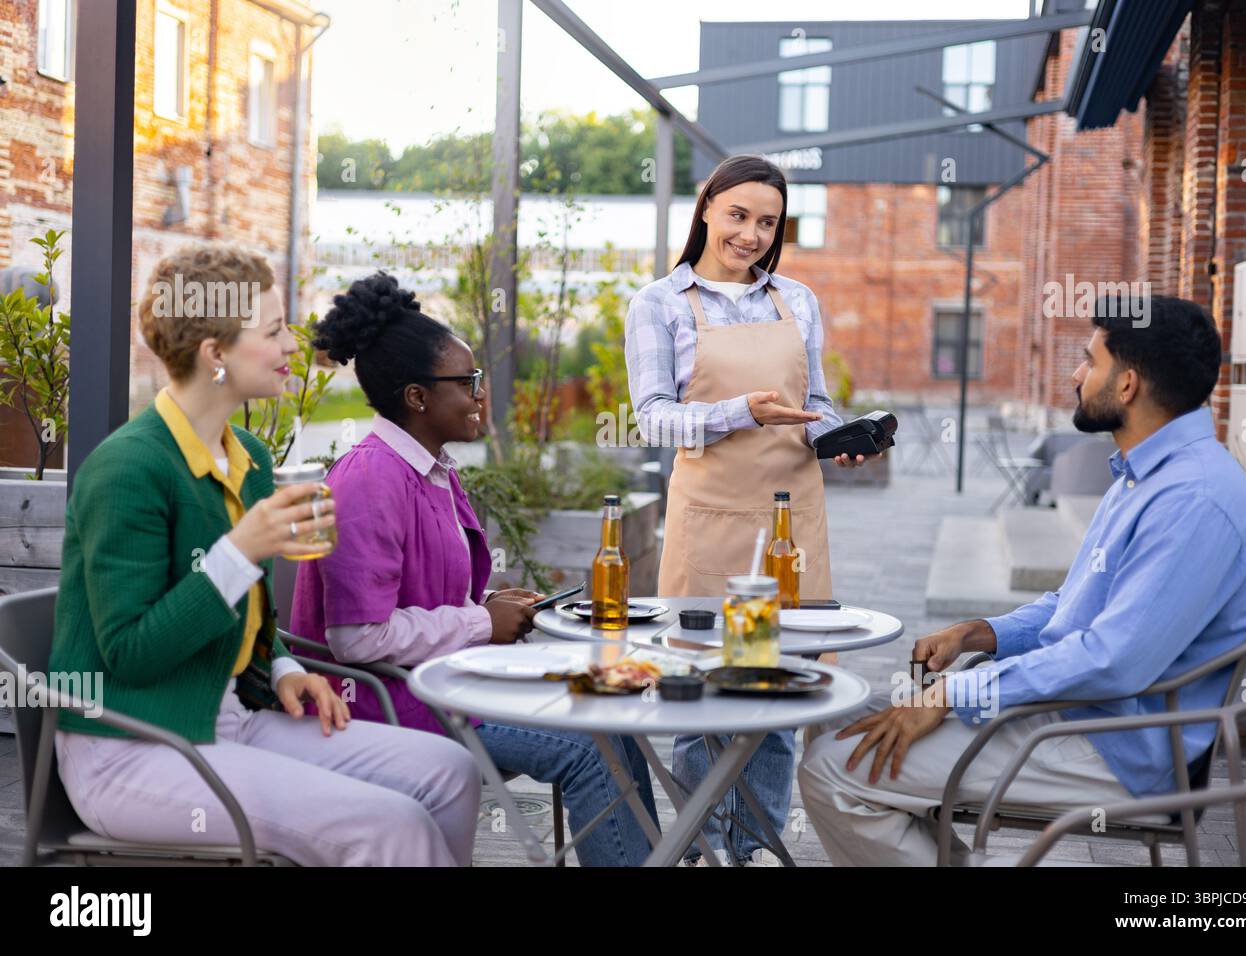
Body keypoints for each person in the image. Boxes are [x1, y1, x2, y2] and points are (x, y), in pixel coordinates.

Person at [798, 294, 1246, 865]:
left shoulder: (1195, 499)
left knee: (833, 766)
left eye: (1090, 360)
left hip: (1118, 750)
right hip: (1079, 714)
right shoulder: (1145, 475)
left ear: (1127, 385)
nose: (1077, 375)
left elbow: (1112, 659)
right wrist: (979, 634)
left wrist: (955, 692)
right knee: (840, 723)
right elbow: (1074, 607)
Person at [48, 244, 480, 866]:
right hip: (134, 748)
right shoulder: (127, 469)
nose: (291, 347)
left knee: (450, 771)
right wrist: (240, 550)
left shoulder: (247, 457)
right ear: (216, 355)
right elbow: (132, 654)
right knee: (391, 825)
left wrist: (281, 669)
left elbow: (248, 619)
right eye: (274, 331)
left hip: (230, 716)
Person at [291, 271, 661, 867]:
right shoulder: (369, 479)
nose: (481, 395)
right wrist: (481, 623)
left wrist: (495, 602)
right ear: (418, 397)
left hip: (444, 679)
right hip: (385, 703)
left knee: (611, 706)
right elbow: (356, 638)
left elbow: (428, 591)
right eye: (469, 382)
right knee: (593, 744)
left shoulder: (431, 469)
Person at [625, 154, 869, 865]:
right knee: (704, 694)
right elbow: (652, 421)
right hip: (709, 523)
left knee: (779, 693)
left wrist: (840, 435)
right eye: (739, 216)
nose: (752, 234)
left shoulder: (798, 300)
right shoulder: (660, 303)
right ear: (706, 209)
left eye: (768, 222)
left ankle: (752, 851)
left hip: (792, 522)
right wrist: (742, 412)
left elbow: (814, 404)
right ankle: (702, 849)